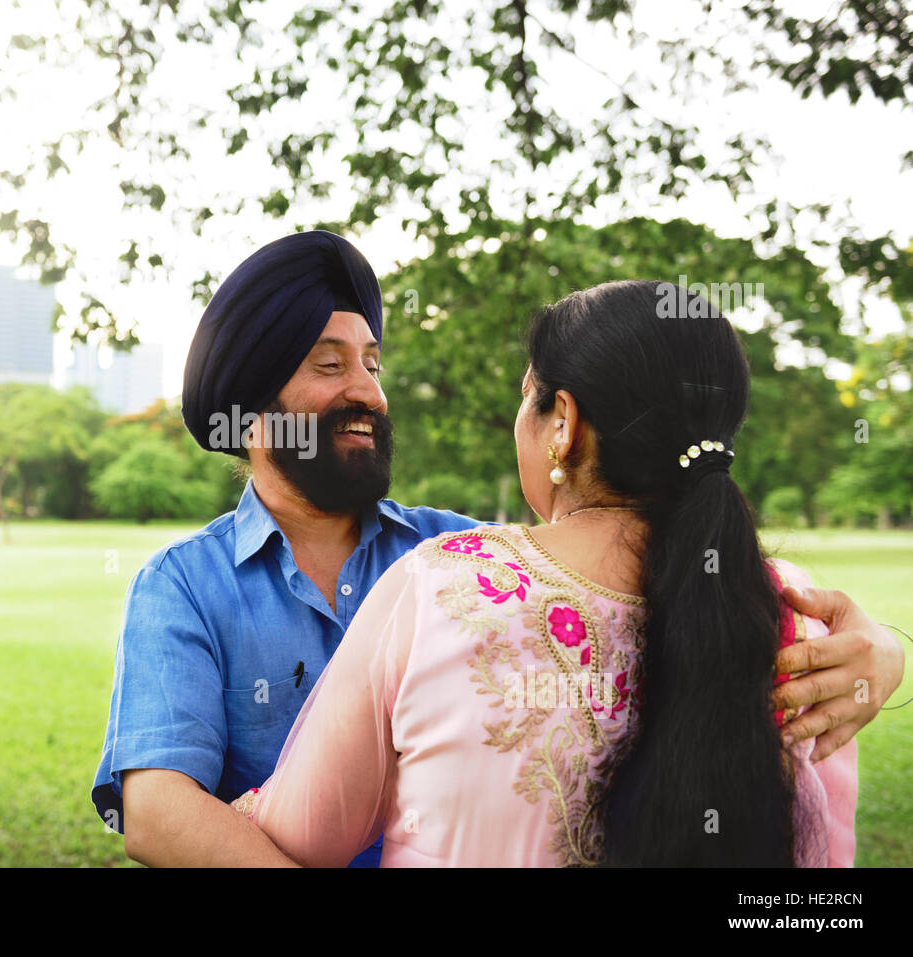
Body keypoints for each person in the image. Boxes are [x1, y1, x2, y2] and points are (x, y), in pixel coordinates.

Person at [91, 234, 904, 868]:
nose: (368, 391)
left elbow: (650, 572)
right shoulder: (184, 586)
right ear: (250, 410)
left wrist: (875, 652)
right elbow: (157, 810)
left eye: (373, 363)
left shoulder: (457, 558)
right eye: (328, 364)